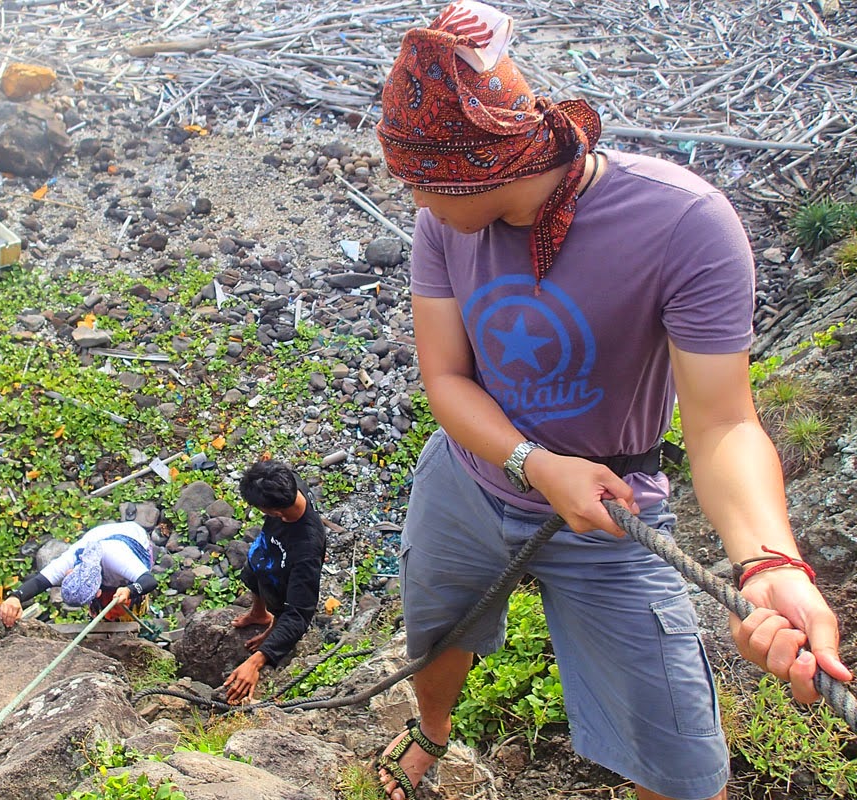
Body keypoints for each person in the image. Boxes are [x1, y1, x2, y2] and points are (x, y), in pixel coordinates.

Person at [371, 3, 851, 800]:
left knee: (684, 769)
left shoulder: (684, 225)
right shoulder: (445, 227)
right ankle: (432, 728)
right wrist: (533, 462)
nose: (417, 203)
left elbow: (725, 420)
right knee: (437, 629)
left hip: (614, 507)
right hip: (470, 477)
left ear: (476, 170)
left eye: (421, 183)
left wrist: (766, 560)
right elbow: (447, 380)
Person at [223, 459, 327, 704]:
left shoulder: (307, 549)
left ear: (275, 512)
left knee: (279, 600)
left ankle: (271, 622)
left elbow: (299, 613)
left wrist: (256, 662)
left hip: (284, 565)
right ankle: (258, 613)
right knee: (253, 572)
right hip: (269, 550)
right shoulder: (287, 483)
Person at [0, 520, 156, 627]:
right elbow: (40, 582)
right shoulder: (68, 561)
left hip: (133, 539)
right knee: (103, 609)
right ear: (69, 573)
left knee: (124, 603)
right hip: (99, 535)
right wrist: (15, 597)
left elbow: (149, 581)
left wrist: (129, 590)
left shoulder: (119, 557)